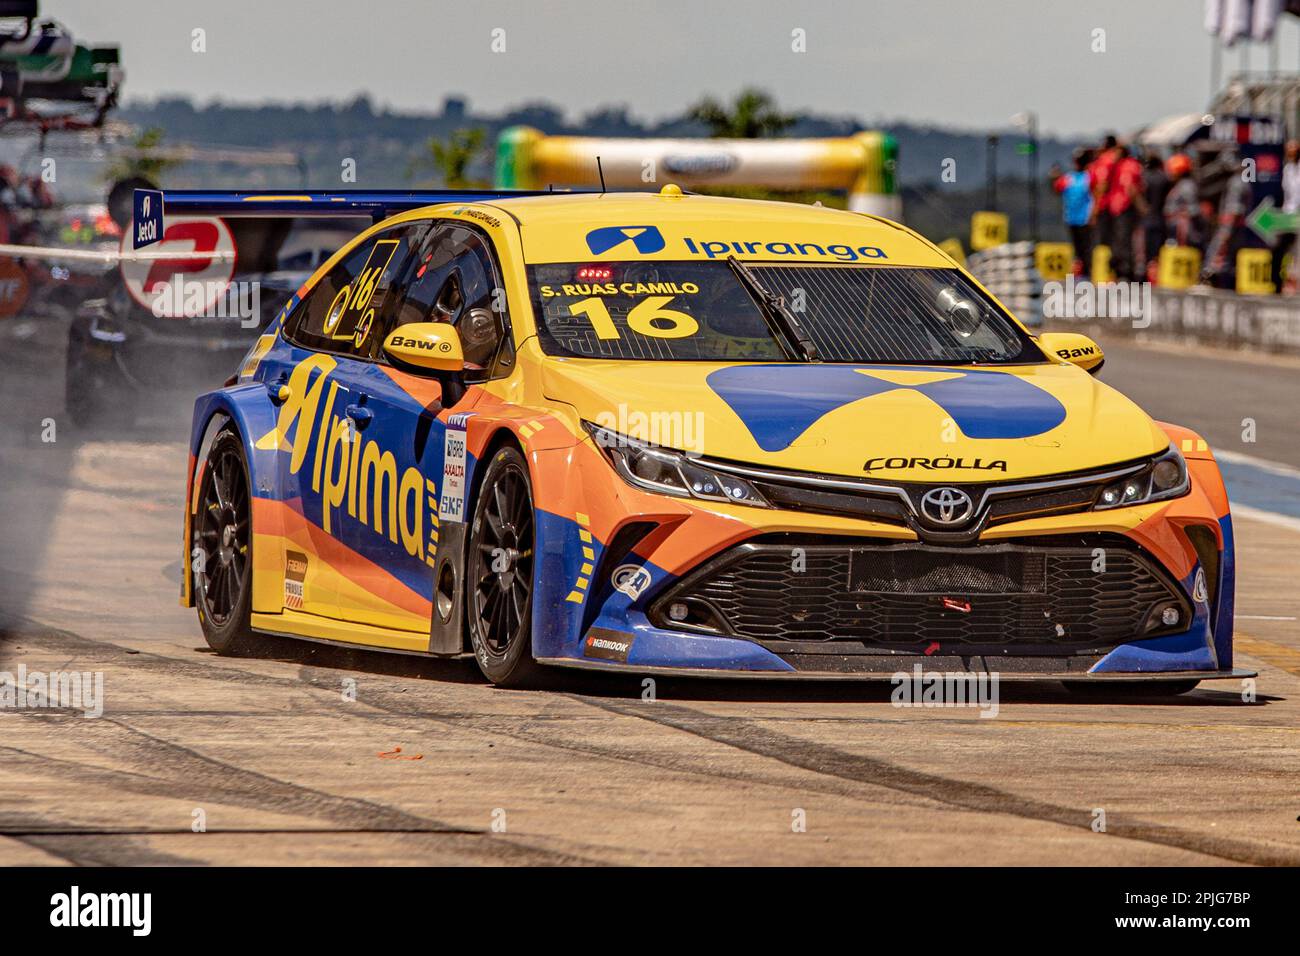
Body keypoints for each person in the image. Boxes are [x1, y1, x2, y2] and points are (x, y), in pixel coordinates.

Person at [1100, 144, 1145, 281]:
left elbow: (1128, 186)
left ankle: (1123, 271)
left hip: (1120, 207)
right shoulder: (1122, 165)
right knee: (1121, 240)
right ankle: (1121, 270)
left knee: (1122, 240)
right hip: (1120, 207)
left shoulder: (1125, 165)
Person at [1053, 148, 1094, 277]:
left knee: (1086, 247)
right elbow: (1057, 187)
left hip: (1085, 218)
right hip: (1071, 217)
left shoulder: (1089, 176)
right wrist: (1055, 176)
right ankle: (1079, 270)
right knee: (1077, 246)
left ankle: (1087, 271)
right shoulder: (1069, 177)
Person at [1271, 139, 1300, 293]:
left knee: (1296, 252)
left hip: (1298, 215)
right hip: (1287, 215)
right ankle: (1277, 282)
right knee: (1279, 249)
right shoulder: (1287, 169)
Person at [1137, 150, 1170, 281]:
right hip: (1160, 218)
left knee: (1144, 250)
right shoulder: (1164, 178)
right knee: (1157, 251)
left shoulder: (1143, 178)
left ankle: (1144, 275)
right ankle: (1155, 276)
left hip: (1145, 219)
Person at [1163, 153, 1204, 252]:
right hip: (1176, 232)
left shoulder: (1187, 186)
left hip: (1186, 234)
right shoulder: (1180, 185)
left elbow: (1194, 209)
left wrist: (1180, 215)